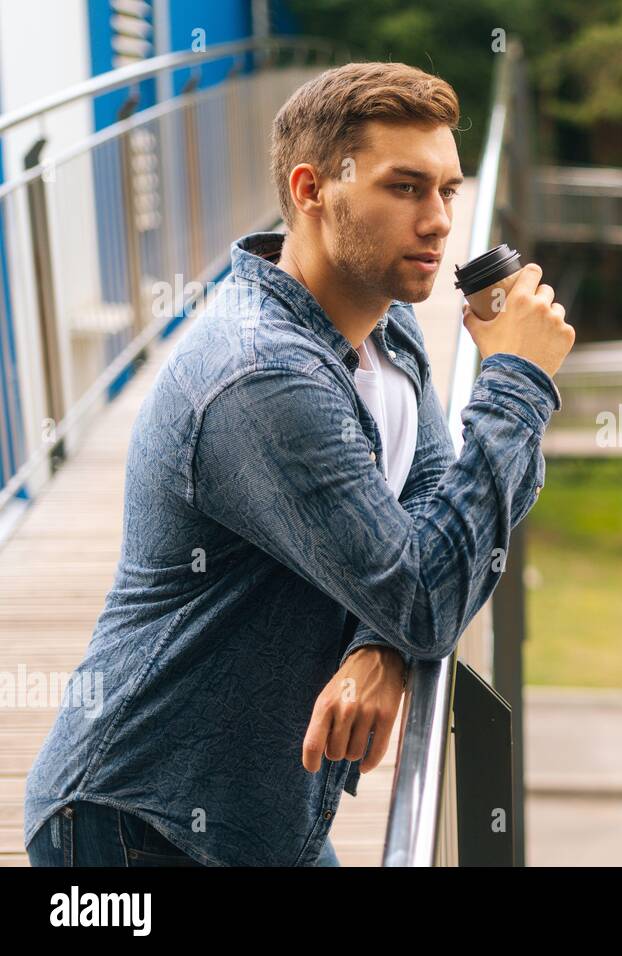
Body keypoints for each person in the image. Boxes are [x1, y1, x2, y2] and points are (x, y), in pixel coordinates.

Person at [24, 60, 574, 866]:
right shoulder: (261, 376)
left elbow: (431, 505)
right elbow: (427, 593)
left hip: (260, 810)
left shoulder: (385, 321)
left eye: (448, 191)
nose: (437, 222)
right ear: (312, 189)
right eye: (404, 188)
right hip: (141, 820)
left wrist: (378, 642)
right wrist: (516, 382)